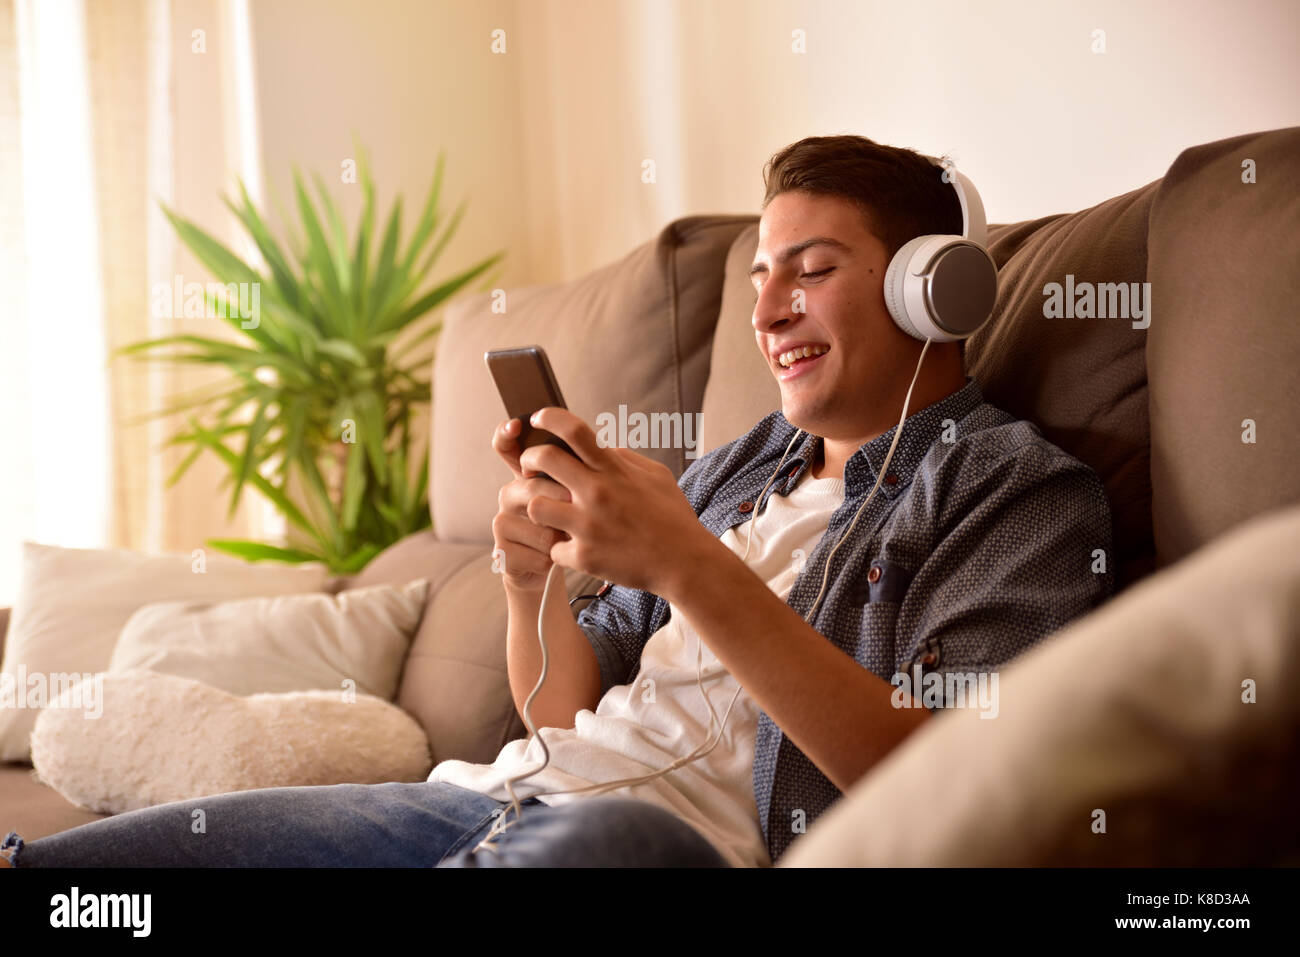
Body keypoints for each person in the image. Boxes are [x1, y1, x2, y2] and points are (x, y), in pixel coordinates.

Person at [1, 135, 1113, 869]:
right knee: (85, 878)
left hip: (659, 851)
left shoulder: (1015, 495)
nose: (767, 310)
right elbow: (557, 714)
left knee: (605, 846)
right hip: (494, 801)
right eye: (759, 276)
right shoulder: (736, 470)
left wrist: (689, 565)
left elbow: (944, 778)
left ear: (936, 289)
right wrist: (531, 578)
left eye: (810, 270)